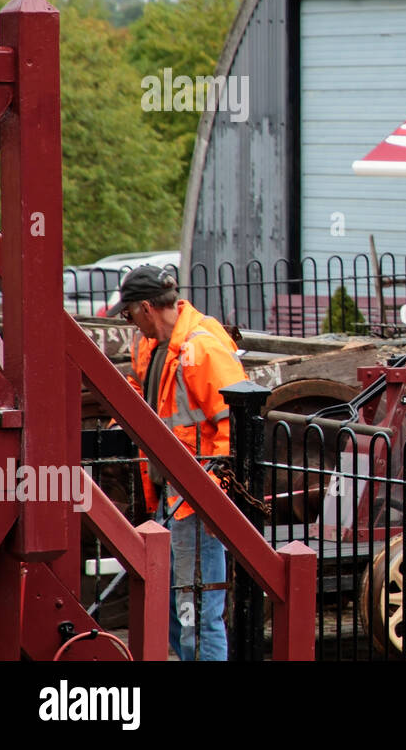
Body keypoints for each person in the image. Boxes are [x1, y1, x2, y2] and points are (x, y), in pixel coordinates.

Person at [111, 265, 246, 661]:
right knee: (171, 606)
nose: (130, 323)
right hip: (171, 496)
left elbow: (233, 427)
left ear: (147, 308)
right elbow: (141, 391)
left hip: (196, 500)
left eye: (129, 314)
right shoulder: (153, 346)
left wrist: (212, 493)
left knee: (197, 615)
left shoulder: (200, 349)